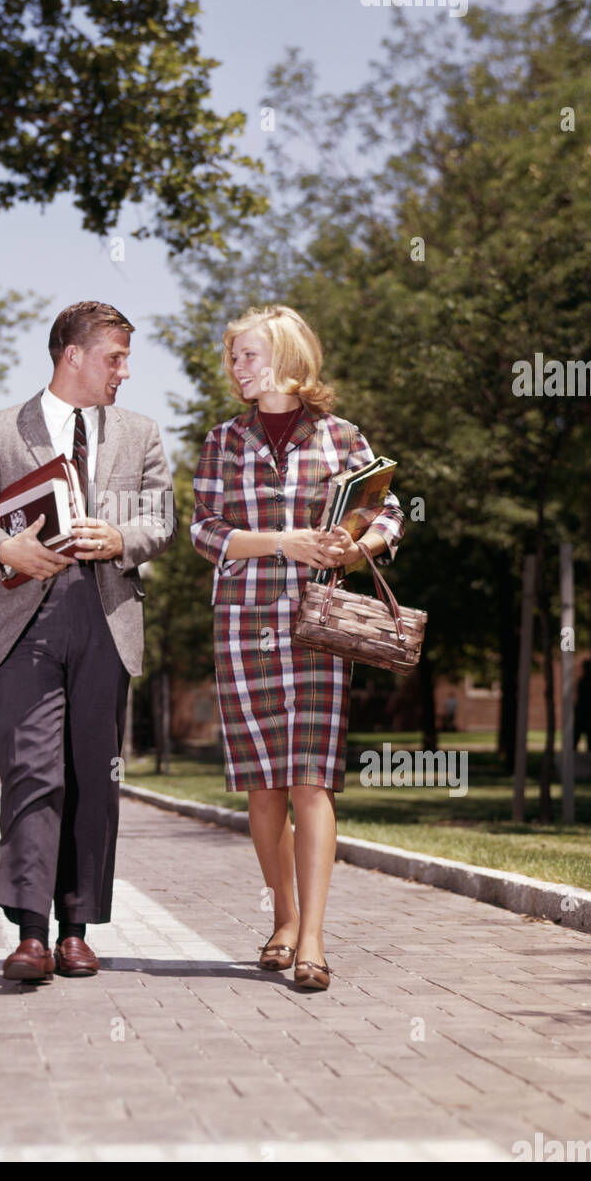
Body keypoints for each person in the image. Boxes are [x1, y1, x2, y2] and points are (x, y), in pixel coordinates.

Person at [0, 301, 177, 983]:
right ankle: (29, 934)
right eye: (115, 357)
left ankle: (77, 928)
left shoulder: (141, 433)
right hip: (26, 618)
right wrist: (6, 549)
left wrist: (121, 539)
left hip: (106, 616)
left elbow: (161, 520)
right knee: (31, 772)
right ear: (72, 355)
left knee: (91, 777)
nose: (125, 372)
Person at [191, 305, 405, 991]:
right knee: (263, 788)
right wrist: (284, 541)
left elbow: (389, 514)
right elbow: (204, 532)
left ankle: (311, 938)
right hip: (243, 624)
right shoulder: (223, 441)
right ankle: (282, 915)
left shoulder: (343, 438)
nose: (237, 367)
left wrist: (355, 545)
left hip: (316, 624)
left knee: (311, 780)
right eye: (233, 358)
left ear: (288, 356)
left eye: (249, 355)